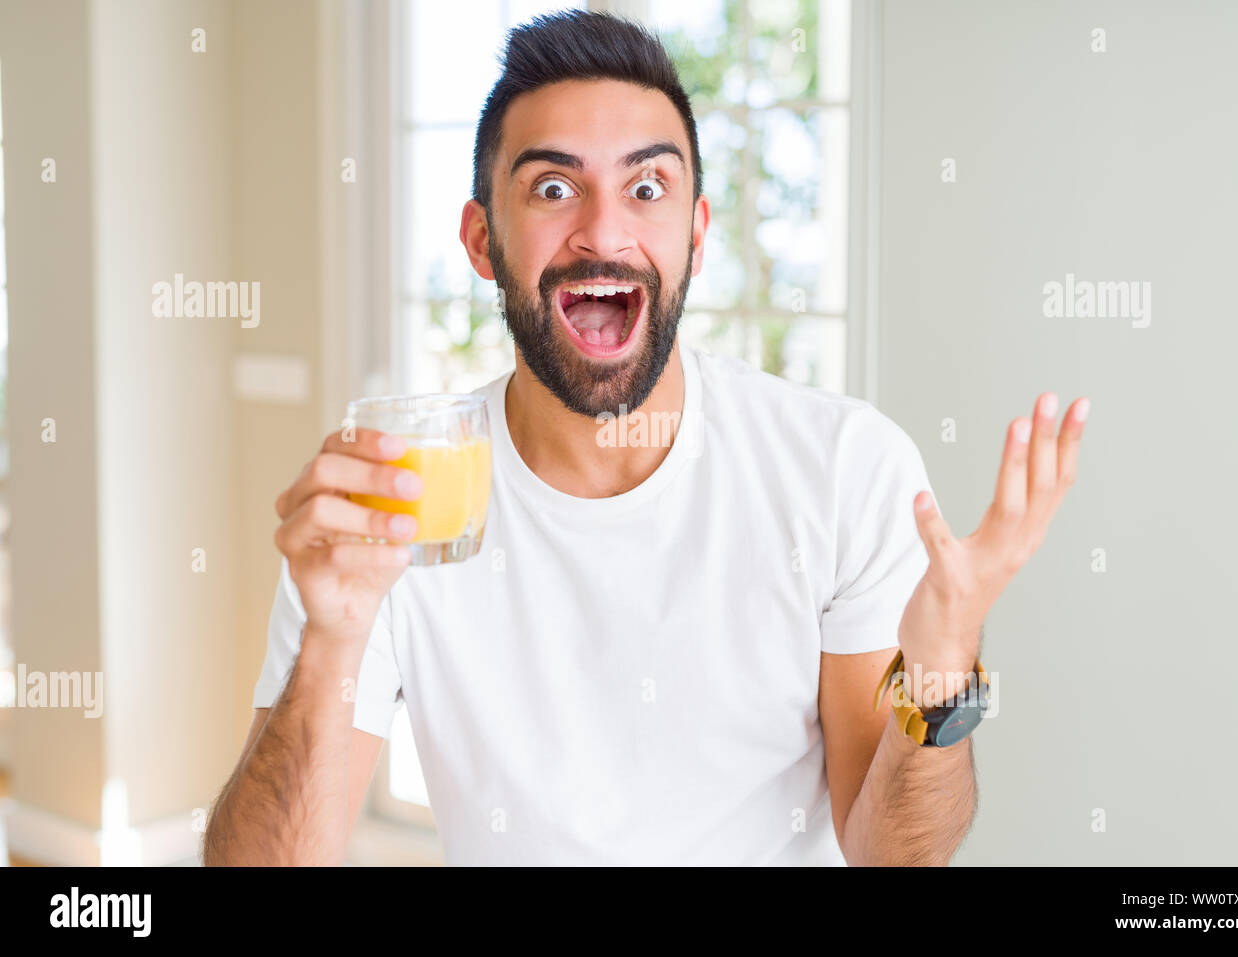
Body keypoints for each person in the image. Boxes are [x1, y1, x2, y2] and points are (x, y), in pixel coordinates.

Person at [203, 9, 1088, 866]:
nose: (604, 231)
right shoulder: (393, 501)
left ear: (696, 236)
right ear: (482, 241)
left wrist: (941, 663)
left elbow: (893, 857)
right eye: (553, 187)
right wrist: (332, 637)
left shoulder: (842, 469)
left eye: (647, 187)